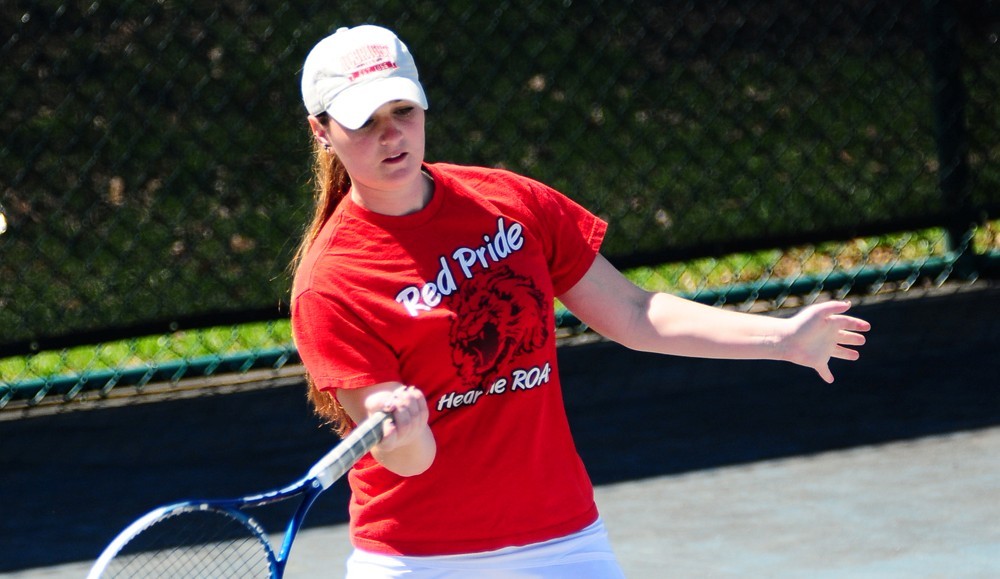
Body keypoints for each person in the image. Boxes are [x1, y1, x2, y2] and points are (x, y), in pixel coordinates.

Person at [290, 24, 871, 578]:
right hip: (420, 558)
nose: (392, 136)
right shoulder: (330, 283)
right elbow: (410, 460)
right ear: (321, 131)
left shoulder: (510, 202)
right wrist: (405, 429)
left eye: (403, 111)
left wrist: (783, 339)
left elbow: (635, 314)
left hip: (562, 539)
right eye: (365, 122)